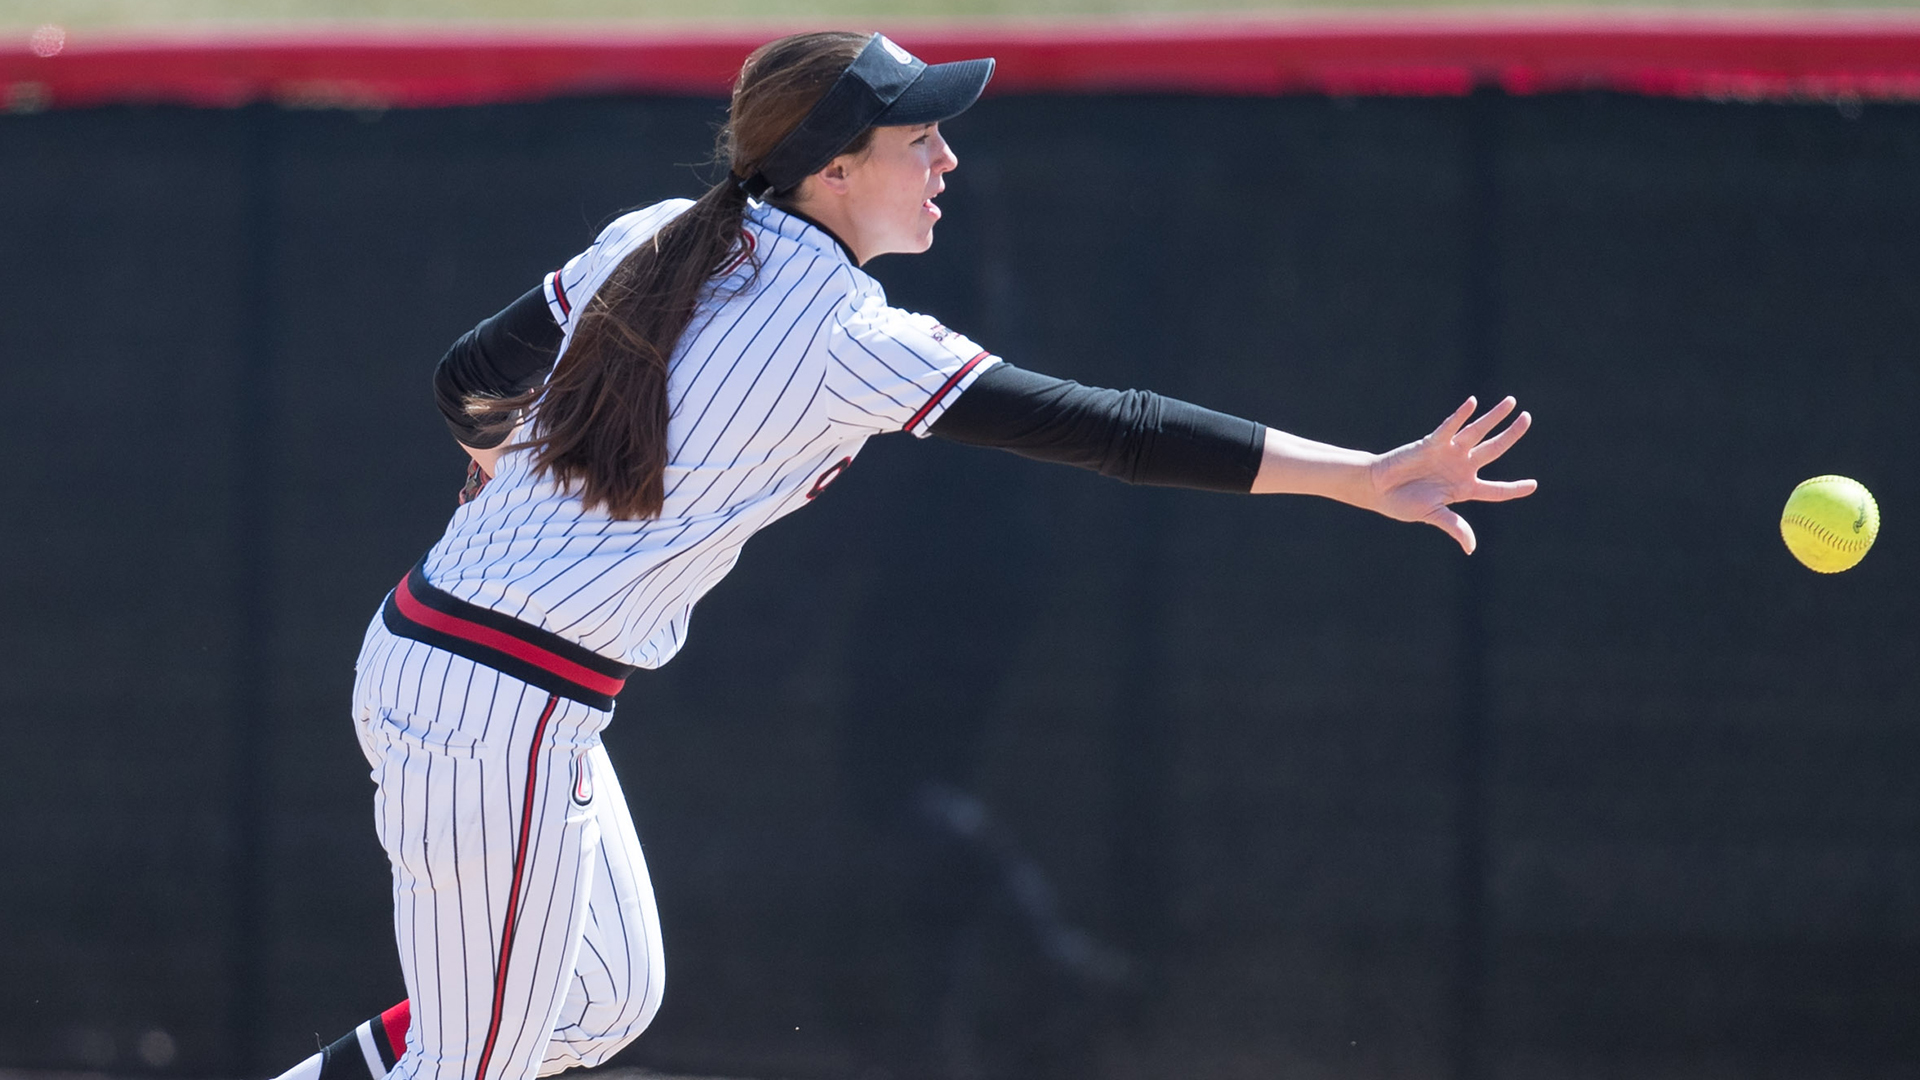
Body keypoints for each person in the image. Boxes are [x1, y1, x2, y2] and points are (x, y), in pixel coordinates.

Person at [271, 29, 1536, 1080]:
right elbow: (1115, 431)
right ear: (829, 169)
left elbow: (464, 380)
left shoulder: (658, 234)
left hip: (495, 683)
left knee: (603, 999)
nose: (947, 154)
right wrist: (1359, 477)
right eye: (916, 134)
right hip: (490, 703)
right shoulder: (842, 335)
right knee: (476, 1068)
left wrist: (500, 475)